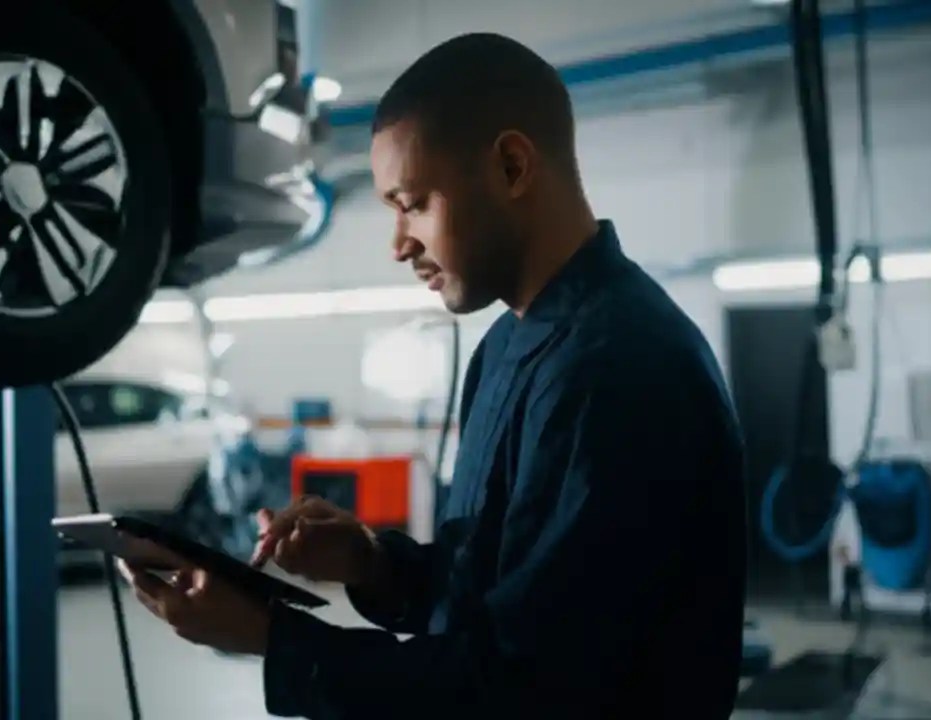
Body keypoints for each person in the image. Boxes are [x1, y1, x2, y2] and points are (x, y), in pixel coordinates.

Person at [121, 32, 748, 718]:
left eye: (413, 203)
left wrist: (275, 640)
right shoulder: (507, 346)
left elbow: (527, 688)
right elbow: (480, 588)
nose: (397, 245)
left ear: (512, 166)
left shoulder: (622, 368)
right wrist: (369, 561)